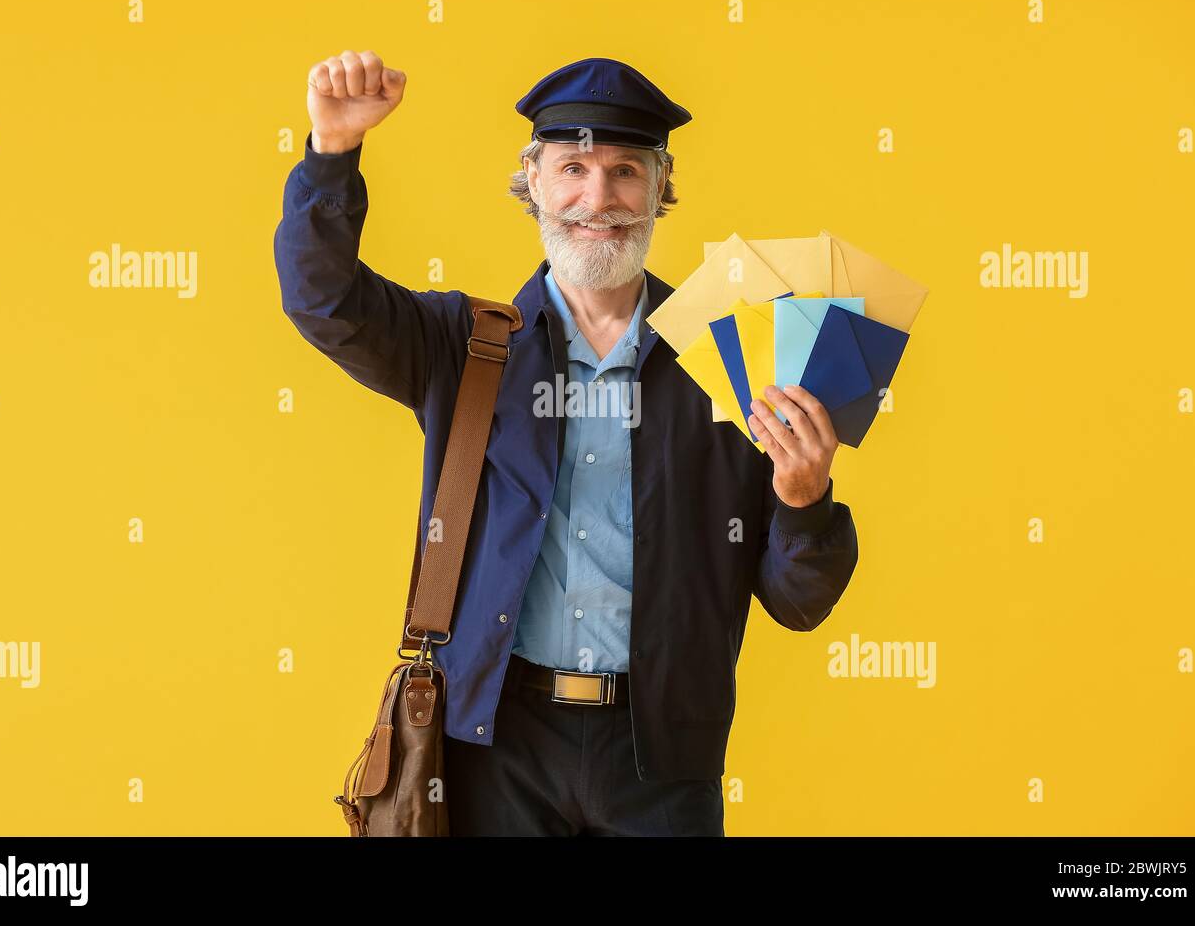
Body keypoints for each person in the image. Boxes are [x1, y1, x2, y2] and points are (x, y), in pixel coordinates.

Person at [274, 50, 860, 836]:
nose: (598, 197)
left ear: (660, 189)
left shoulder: (735, 362)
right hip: (493, 746)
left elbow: (798, 602)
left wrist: (804, 502)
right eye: (573, 167)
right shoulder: (466, 346)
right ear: (534, 182)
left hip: (661, 757)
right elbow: (323, 298)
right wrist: (333, 152)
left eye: (625, 172)